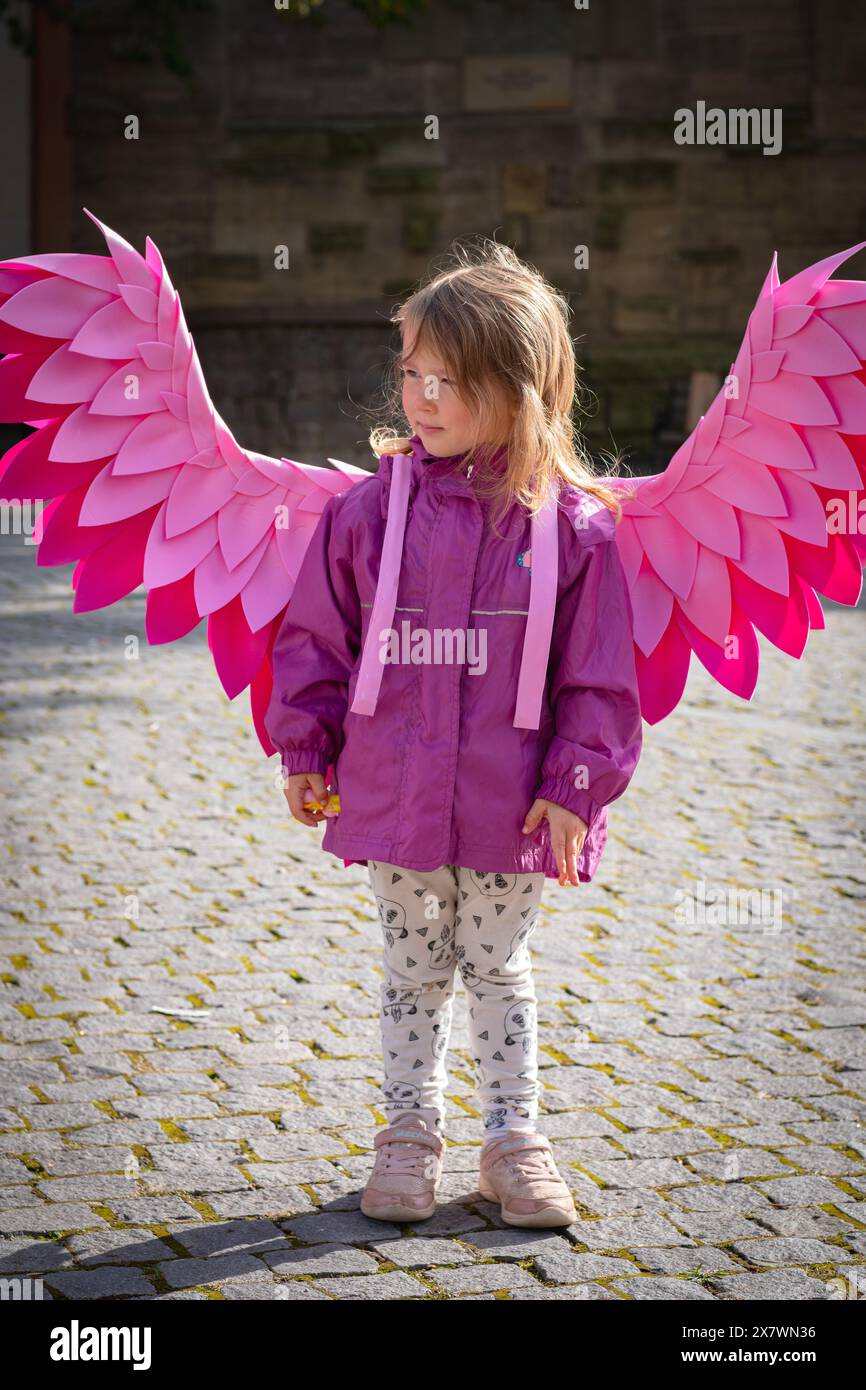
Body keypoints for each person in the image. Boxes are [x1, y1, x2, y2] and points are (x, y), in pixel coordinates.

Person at [264, 239, 643, 1229]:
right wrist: (304, 745)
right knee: (409, 972)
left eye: (451, 381)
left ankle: (513, 1143)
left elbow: (596, 674)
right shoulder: (363, 514)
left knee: (497, 970)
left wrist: (575, 782)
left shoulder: (572, 531)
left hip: (510, 802)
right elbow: (313, 635)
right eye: (411, 375)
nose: (422, 399)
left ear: (519, 389)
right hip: (391, 793)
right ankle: (406, 1136)